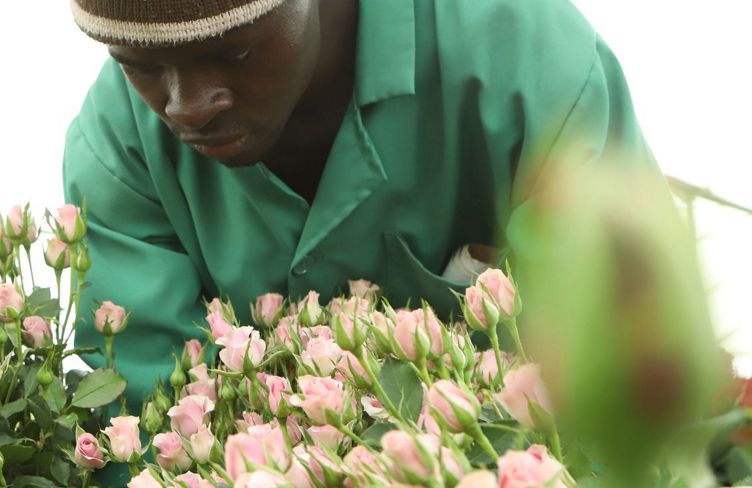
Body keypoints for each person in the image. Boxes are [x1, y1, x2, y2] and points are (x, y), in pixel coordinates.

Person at [63, 0, 665, 411]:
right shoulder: (118, 146)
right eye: (139, 64)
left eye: (234, 52)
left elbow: (629, 380)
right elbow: (155, 434)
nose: (188, 105)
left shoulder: (530, 65)